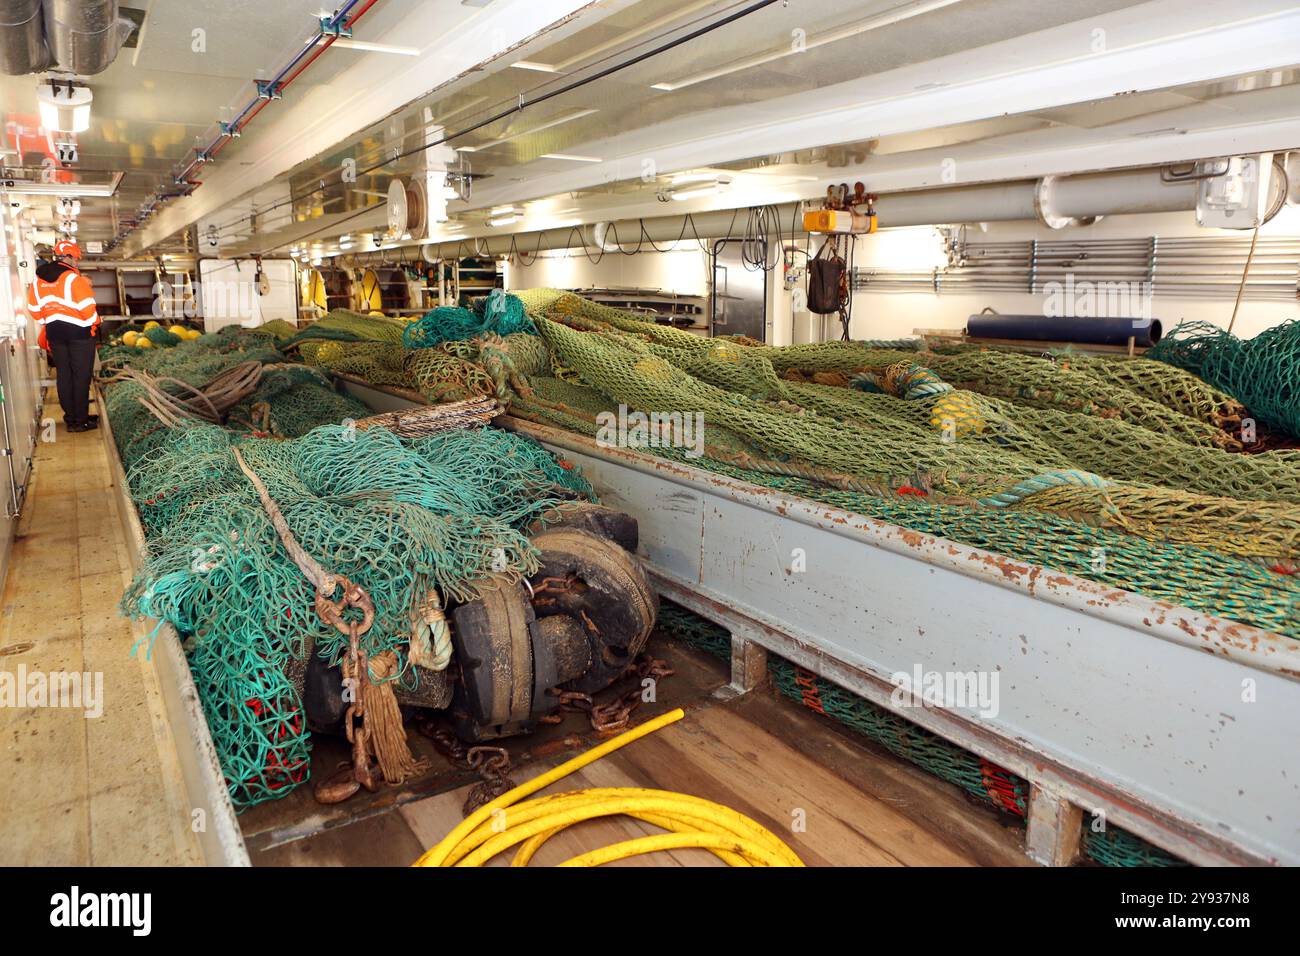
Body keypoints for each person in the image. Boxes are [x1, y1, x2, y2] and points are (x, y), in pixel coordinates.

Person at [28, 239, 100, 432]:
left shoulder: (37, 281)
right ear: (67, 257)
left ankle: (71, 419)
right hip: (79, 334)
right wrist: (94, 324)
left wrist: (51, 320)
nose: (77, 263)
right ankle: (81, 420)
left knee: (64, 376)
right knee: (81, 376)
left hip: (55, 334)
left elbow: (34, 310)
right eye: (75, 259)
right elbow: (88, 309)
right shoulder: (74, 279)